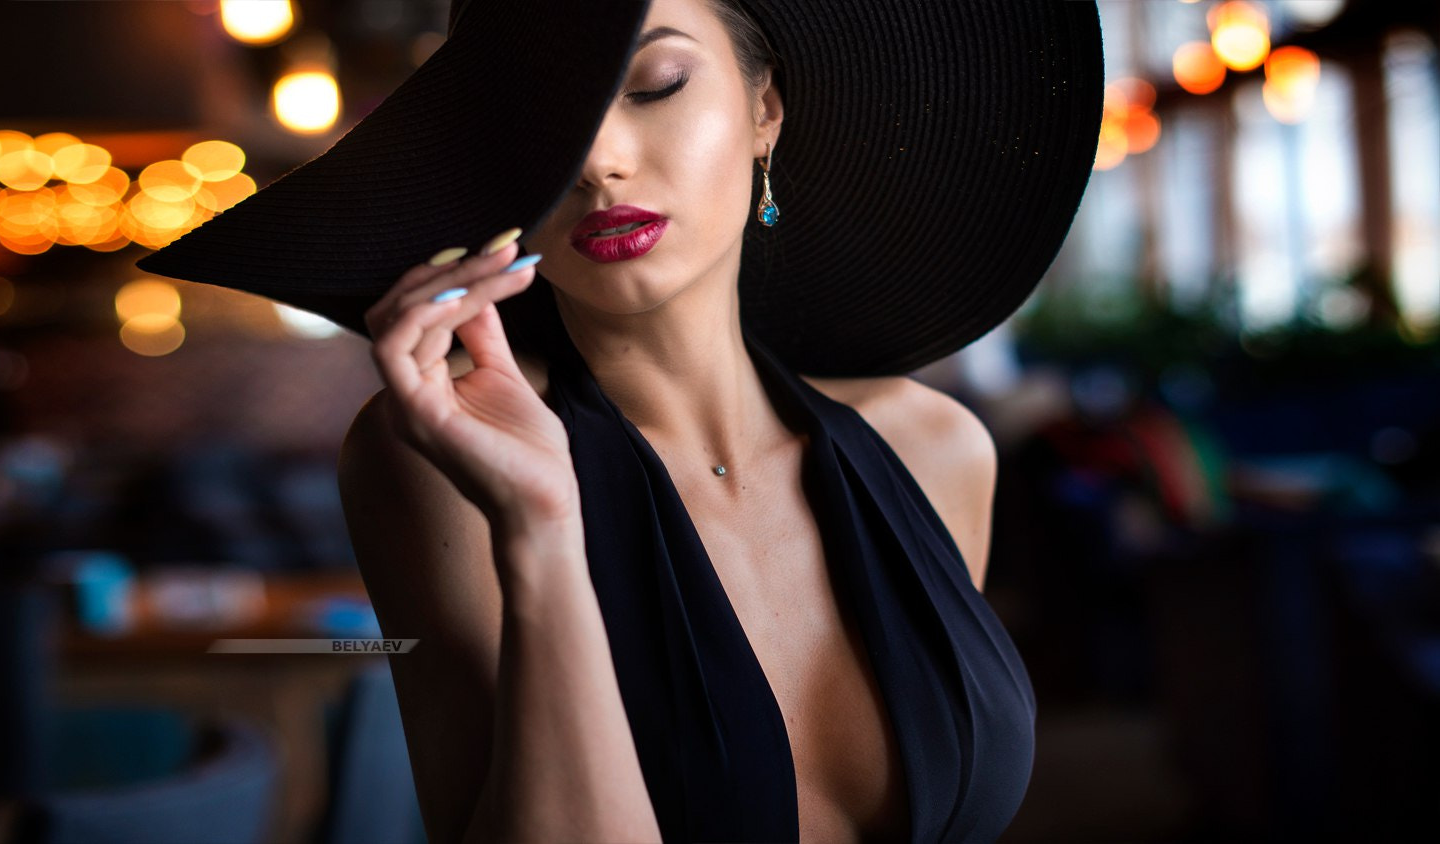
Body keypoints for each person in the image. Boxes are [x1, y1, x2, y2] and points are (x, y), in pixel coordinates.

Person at [136, 1, 1103, 840]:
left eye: (655, 83)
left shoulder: (934, 451)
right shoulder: (436, 465)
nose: (597, 158)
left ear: (765, 108)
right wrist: (542, 531)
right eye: (544, 123)